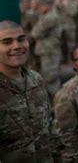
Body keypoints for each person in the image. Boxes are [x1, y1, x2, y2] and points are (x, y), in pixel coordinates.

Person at [0, 20, 59, 162]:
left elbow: (50, 129)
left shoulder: (36, 79)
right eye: (7, 42)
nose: (17, 46)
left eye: (21, 39)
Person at [30, 0, 63, 98]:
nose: (40, 8)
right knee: (46, 76)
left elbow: (36, 33)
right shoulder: (47, 14)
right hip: (46, 50)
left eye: (42, 5)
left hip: (49, 51)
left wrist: (28, 38)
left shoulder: (50, 17)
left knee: (50, 78)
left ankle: (58, 101)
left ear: (49, 5)